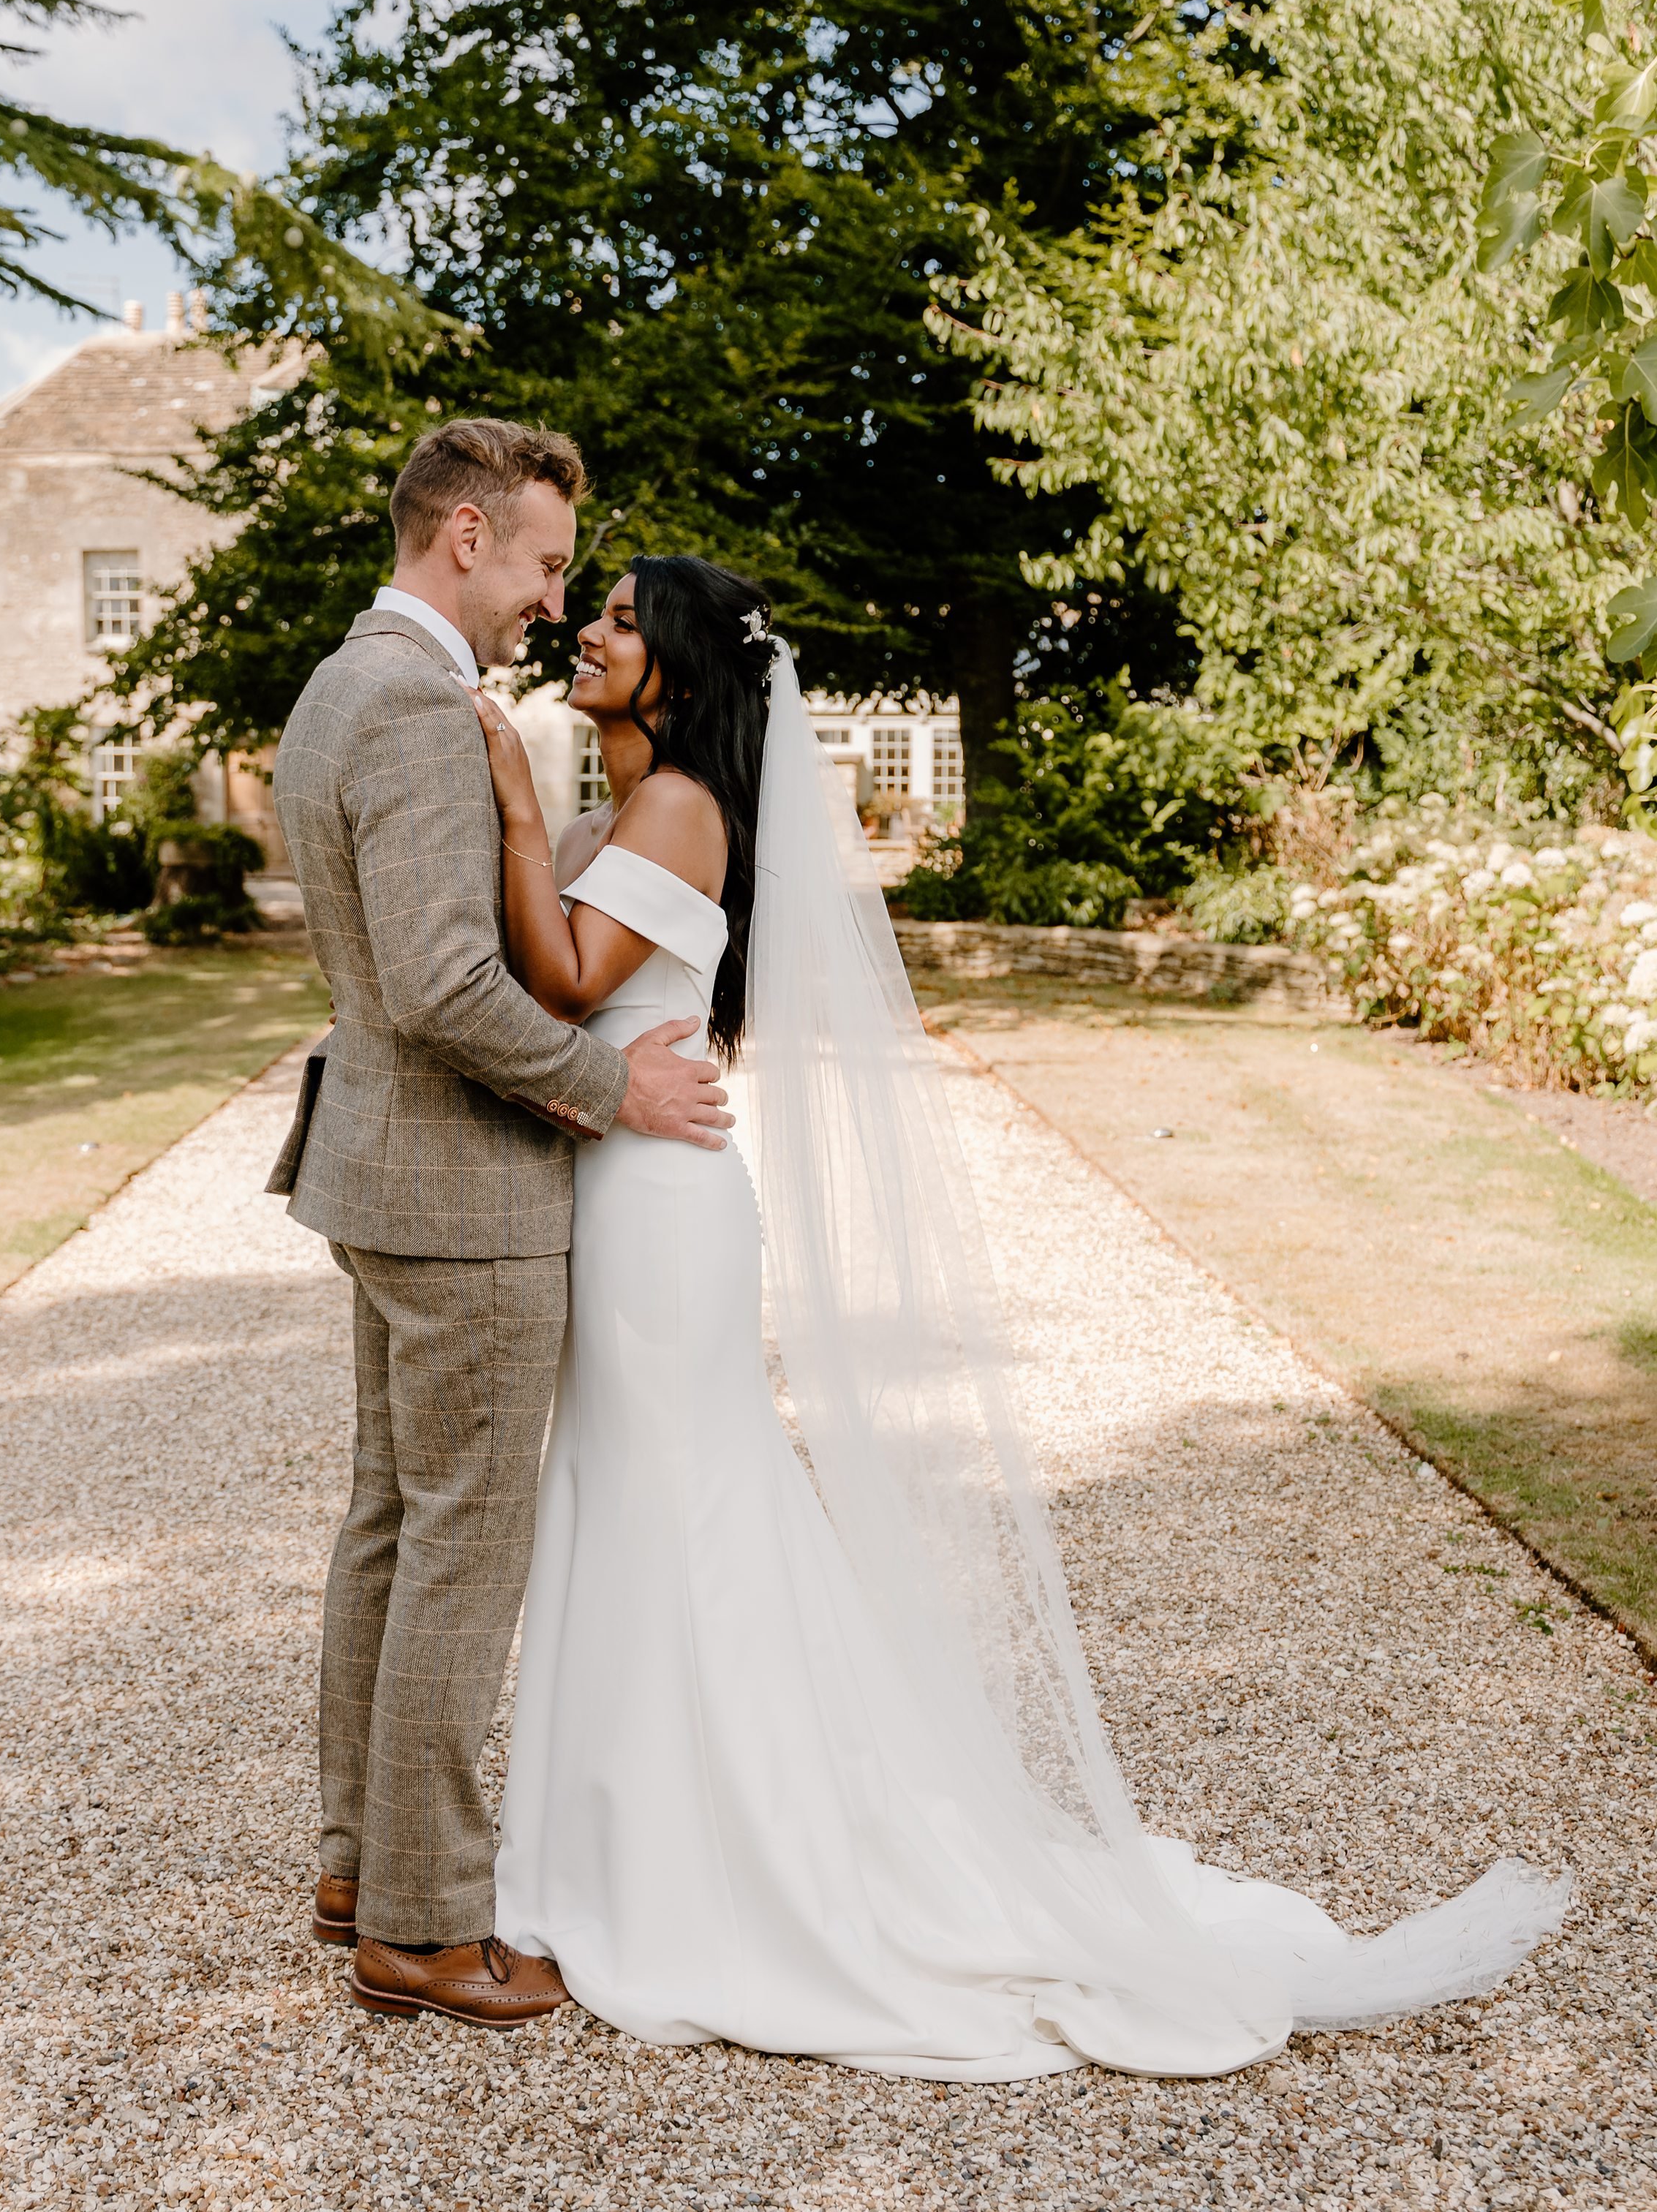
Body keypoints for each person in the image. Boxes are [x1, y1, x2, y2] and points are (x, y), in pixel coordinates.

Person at [469, 549, 1571, 2079]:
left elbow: (568, 974)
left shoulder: (673, 809)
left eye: (617, 621)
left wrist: (517, 807)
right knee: (629, 1505)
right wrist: (541, 816)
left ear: (682, 668)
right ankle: (612, 1846)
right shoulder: (630, 806)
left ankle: (698, 1866)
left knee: (677, 1514)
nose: (585, 634)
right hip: (628, 1195)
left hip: (658, 1220)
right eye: (587, 613)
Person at [267, 422, 733, 2033]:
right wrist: (613, 1091)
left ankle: (356, 1866)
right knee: (462, 1553)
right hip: (460, 1195)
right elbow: (447, 988)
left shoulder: (347, 682)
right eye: (544, 564)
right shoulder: (407, 706)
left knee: (392, 1532)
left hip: (386, 1179)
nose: (552, 601)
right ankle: (421, 1921)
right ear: (464, 535)